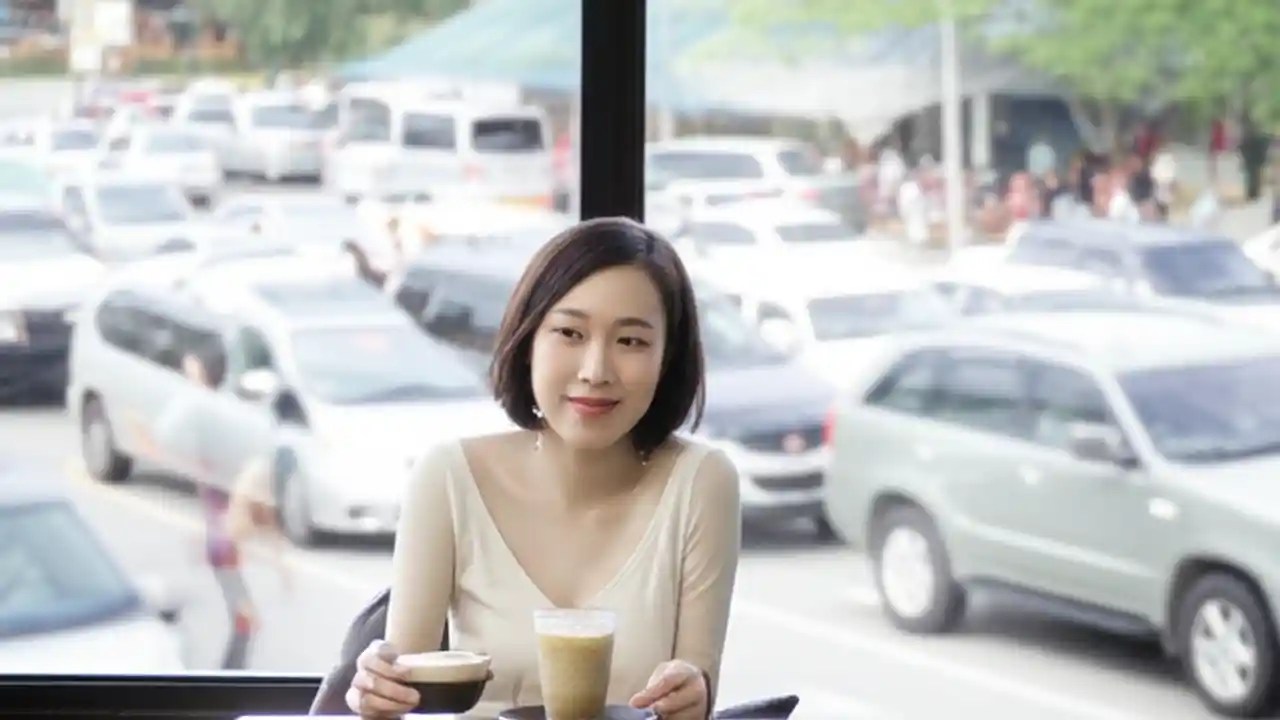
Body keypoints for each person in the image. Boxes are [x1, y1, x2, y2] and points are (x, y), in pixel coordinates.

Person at [346, 218, 741, 719]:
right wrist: (378, 693)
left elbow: (697, 692)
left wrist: (693, 696)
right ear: (529, 339)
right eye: (570, 333)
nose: (595, 370)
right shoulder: (447, 476)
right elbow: (405, 695)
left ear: (668, 359)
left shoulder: (702, 482)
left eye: (632, 342)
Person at [129, 340, 289, 670]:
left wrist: (138, 429)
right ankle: (241, 629)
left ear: (200, 370)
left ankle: (239, 642)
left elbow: (160, 447)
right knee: (224, 567)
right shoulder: (228, 407)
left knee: (225, 566)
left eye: (189, 366)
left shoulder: (195, 407)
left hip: (224, 506)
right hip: (229, 502)